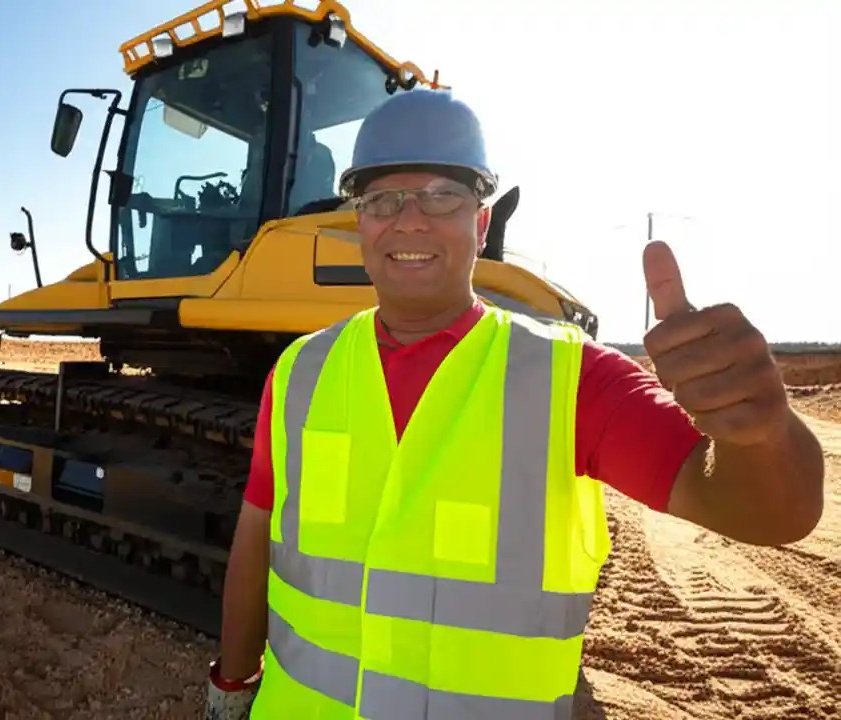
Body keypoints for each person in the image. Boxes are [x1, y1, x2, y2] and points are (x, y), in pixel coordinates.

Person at [203, 87, 824, 719]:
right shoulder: (302, 370)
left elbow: (770, 514)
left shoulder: (570, 376)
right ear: (359, 221)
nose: (409, 219)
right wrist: (230, 684)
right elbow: (259, 532)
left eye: (442, 196)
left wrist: (762, 435)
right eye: (383, 200)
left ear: (481, 222)